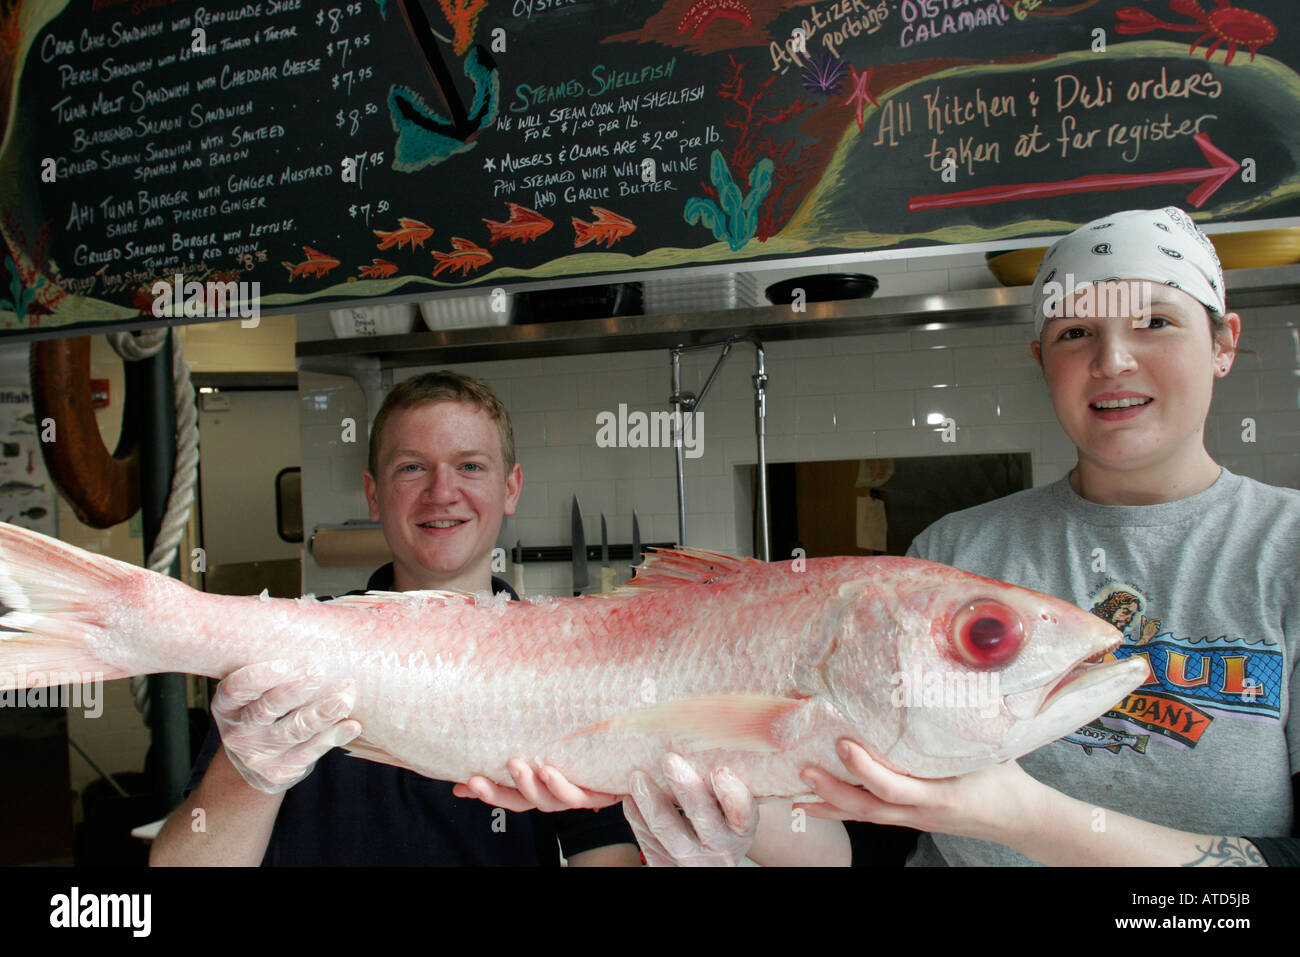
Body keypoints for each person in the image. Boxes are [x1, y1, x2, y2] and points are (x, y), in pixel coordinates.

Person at [472, 207, 1300, 867]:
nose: (1113, 360)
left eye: (1155, 321)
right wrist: (732, 830)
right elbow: (859, 839)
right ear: (1041, 353)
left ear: (1224, 342)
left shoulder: (1284, 552)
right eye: (1077, 331)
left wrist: (1032, 818)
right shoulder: (953, 560)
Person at [150, 372, 640, 866]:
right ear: (373, 492)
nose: (442, 492)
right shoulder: (292, 648)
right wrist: (248, 772)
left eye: (469, 465)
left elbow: (606, 853)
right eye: (411, 468)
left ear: (510, 488)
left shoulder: (565, 662)